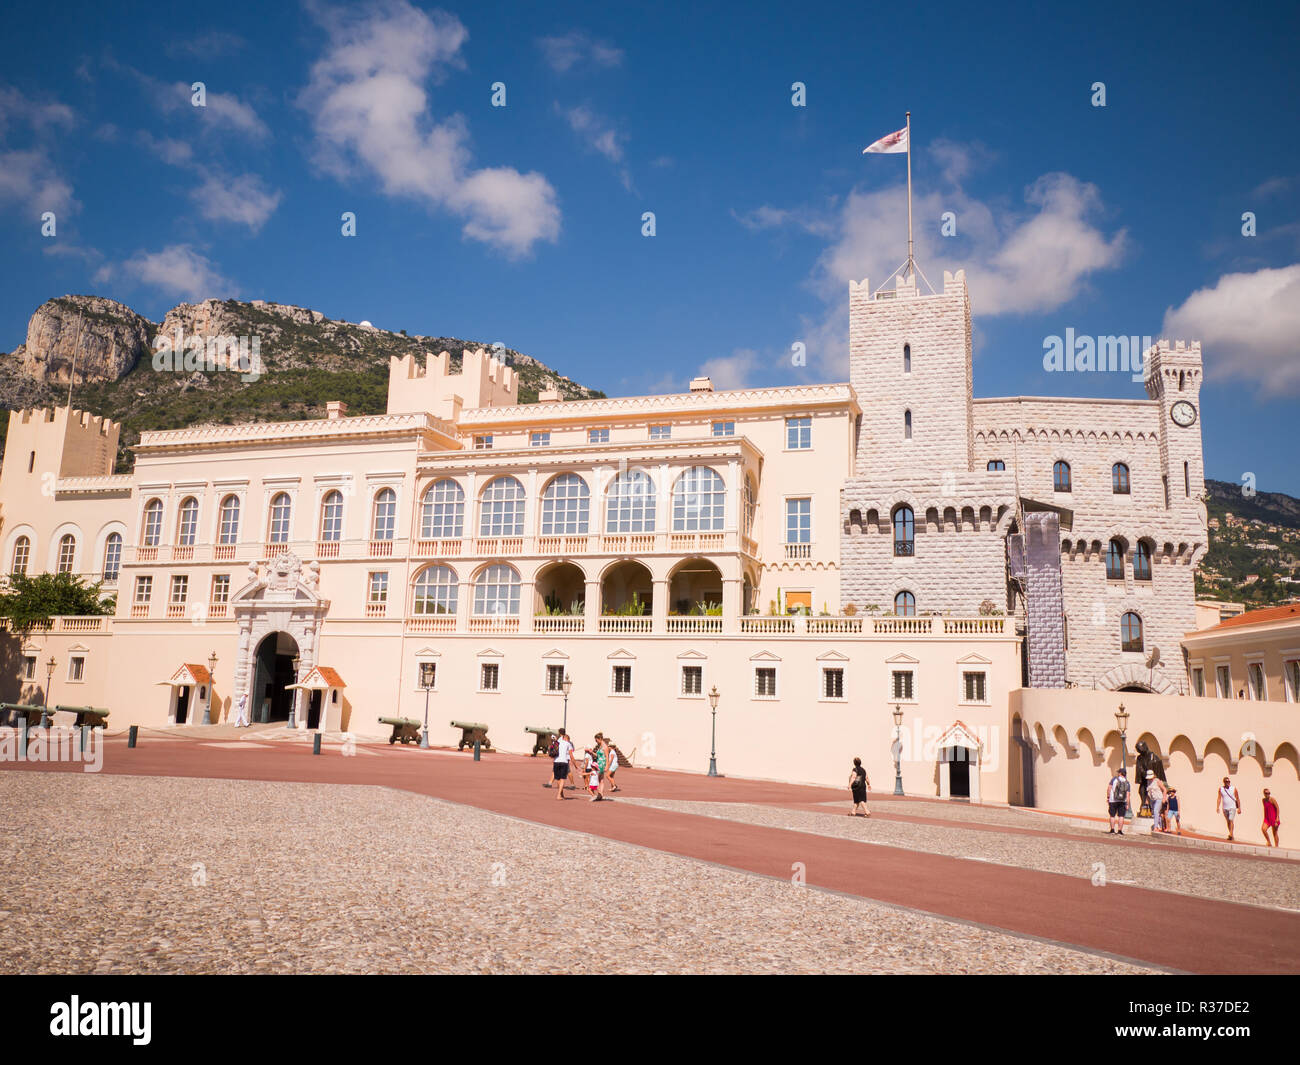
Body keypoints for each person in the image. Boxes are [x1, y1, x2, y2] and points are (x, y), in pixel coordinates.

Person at [552, 729, 574, 801]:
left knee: (558, 778)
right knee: (562, 779)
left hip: (556, 761)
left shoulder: (557, 742)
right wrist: (575, 765)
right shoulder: (568, 744)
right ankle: (559, 795)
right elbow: (571, 755)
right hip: (564, 761)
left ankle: (561, 794)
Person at [1216, 776, 1240, 840]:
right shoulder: (1221, 789)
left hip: (1232, 807)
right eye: (1227, 781)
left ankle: (1231, 834)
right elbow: (1219, 798)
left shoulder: (1233, 788)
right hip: (1225, 808)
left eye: (1229, 781)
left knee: (1231, 819)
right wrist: (1217, 807)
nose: (1228, 782)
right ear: (1224, 782)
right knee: (1228, 821)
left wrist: (1239, 808)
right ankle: (1231, 834)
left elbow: (1237, 798)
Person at [1106, 767, 1128, 834]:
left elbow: (1109, 788)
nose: (1118, 773)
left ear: (1120, 773)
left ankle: (1112, 830)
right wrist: (1127, 803)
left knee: (1112, 815)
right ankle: (1120, 831)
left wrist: (1108, 797)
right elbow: (1128, 794)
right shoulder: (1126, 782)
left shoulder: (1114, 779)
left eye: (1119, 772)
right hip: (1122, 801)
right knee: (1121, 816)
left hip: (1113, 800)